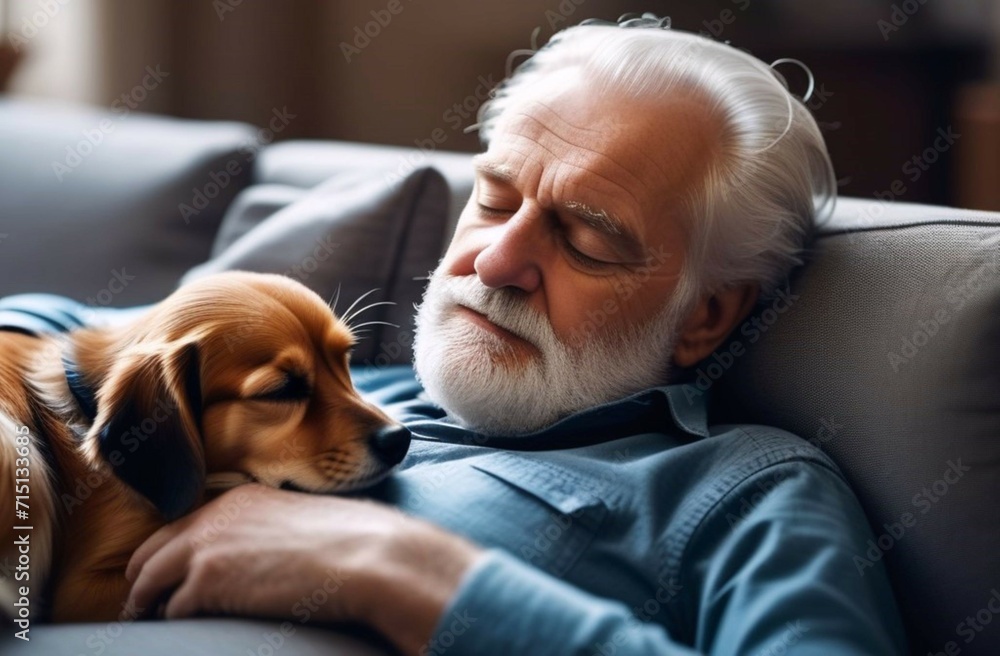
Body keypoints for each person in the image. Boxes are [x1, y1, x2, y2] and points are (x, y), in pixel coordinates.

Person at [2, 14, 907, 655]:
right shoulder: (363, 386)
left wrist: (405, 571)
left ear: (706, 317)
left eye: (588, 236)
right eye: (495, 199)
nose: (493, 260)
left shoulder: (742, 492)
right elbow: (76, 342)